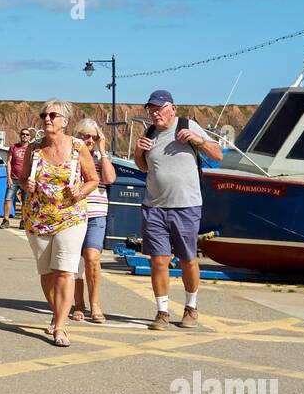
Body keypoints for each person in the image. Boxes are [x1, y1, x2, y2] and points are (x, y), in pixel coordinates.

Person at [133, 90, 223, 331]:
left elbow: (218, 155)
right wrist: (138, 152)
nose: (154, 113)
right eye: (151, 109)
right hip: (154, 207)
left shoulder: (188, 125)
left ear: (173, 108)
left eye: (159, 108)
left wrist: (198, 139)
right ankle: (162, 312)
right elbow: (143, 168)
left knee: (187, 259)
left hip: (186, 206)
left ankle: (191, 307)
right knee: (159, 261)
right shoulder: (149, 132)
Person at [19, 101, 99, 348]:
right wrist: (26, 185)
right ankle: (58, 312)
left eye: (53, 115)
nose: (47, 119)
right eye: (44, 115)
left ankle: (61, 326)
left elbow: (93, 180)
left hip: (70, 217)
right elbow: (22, 178)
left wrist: (80, 191)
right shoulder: (33, 149)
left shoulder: (78, 148)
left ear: (65, 121)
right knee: (47, 273)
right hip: (38, 217)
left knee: (65, 271)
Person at [71, 118, 117, 324]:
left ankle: (95, 304)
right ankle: (79, 305)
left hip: (97, 212)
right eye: (85, 136)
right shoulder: (71, 155)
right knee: (76, 262)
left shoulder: (100, 157)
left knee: (91, 257)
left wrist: (103, 150)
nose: (89, 140)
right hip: (72, 212)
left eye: (93, 136)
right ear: (77, 135)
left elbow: (110, 179)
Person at [0, 127, 33, 228]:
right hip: (14, 179)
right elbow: (9, 162)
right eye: (23, 134)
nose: (25, 136)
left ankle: (23, 221)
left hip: (26, 179)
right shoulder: (14, 147)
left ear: (29, 137)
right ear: (20, 135)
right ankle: (5, 220)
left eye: (27, 134)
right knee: (8, 199)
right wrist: (8, 177)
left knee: (25, 201)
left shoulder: (32, 148)